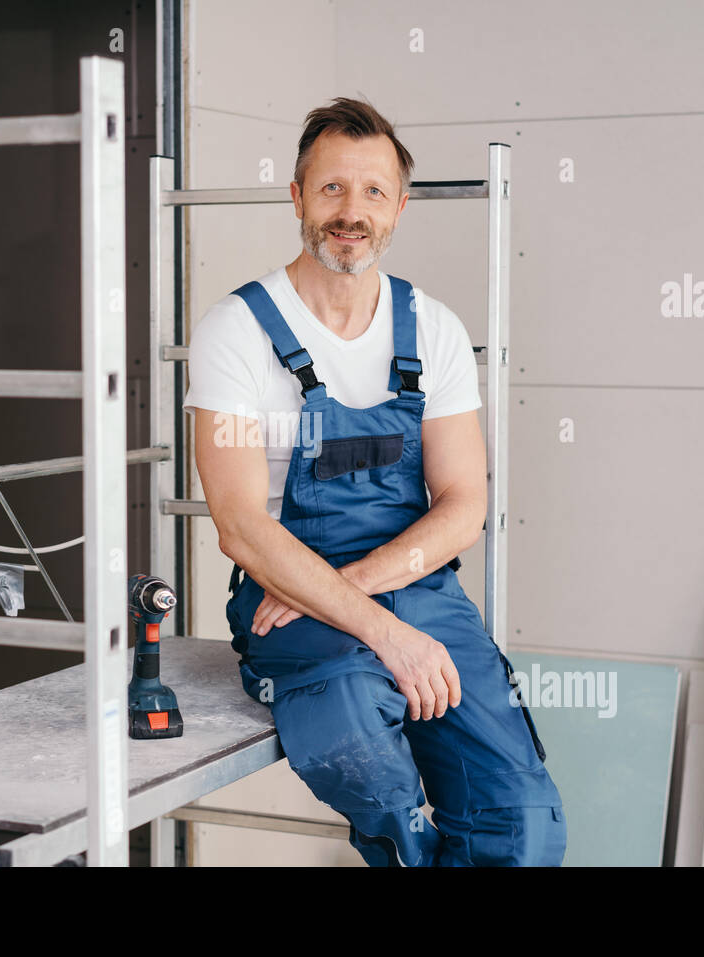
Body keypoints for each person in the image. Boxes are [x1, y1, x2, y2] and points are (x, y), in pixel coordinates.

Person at [182, 96, 565, 866]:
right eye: (331, 189)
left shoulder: (435, 329)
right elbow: (239, 524)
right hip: (286, 589)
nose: (350, 212)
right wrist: (380, 630)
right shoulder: (237, 331)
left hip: (412, 582)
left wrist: (363, 589)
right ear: (296, 196)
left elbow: (464, 506)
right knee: (352, 724)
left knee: (522, 824)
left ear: (399, 207)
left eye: (372, 192)